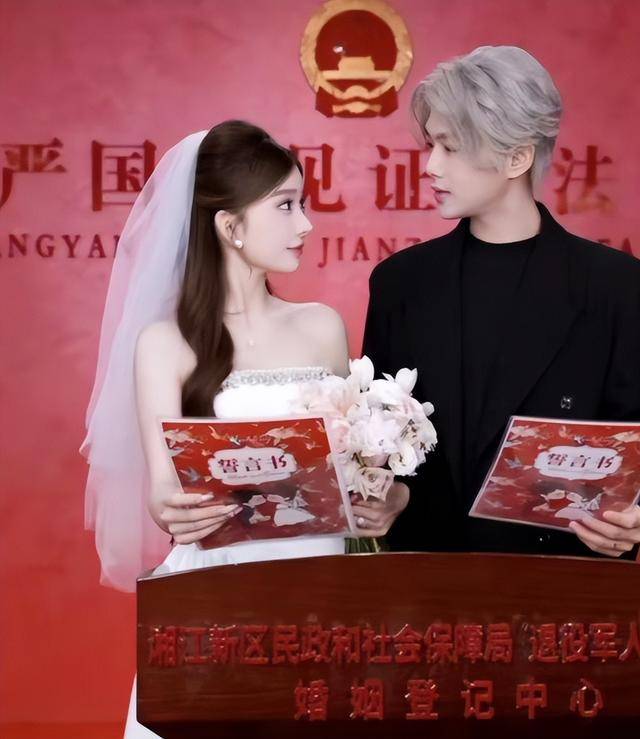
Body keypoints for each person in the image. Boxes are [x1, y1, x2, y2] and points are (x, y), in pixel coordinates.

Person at [80, 120, 407, 737]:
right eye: (285, 206)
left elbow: (357, 469)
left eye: (303, 204)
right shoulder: (164, 344)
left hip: (323, 593)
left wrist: (381, 495)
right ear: (229, 226)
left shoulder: (321, 326)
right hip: (218, 592)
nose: (305, 224)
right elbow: (163, 490)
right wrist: (171, 509)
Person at [362, 46, 640, 560]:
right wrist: (390, 497)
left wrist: (633, 518)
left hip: (564, 584)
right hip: (424, 583)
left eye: (450, 147)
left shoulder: (615, 287)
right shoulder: (401, 284)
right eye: (431, 145)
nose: (430, 166)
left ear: (518, 158)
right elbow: (383, 446)